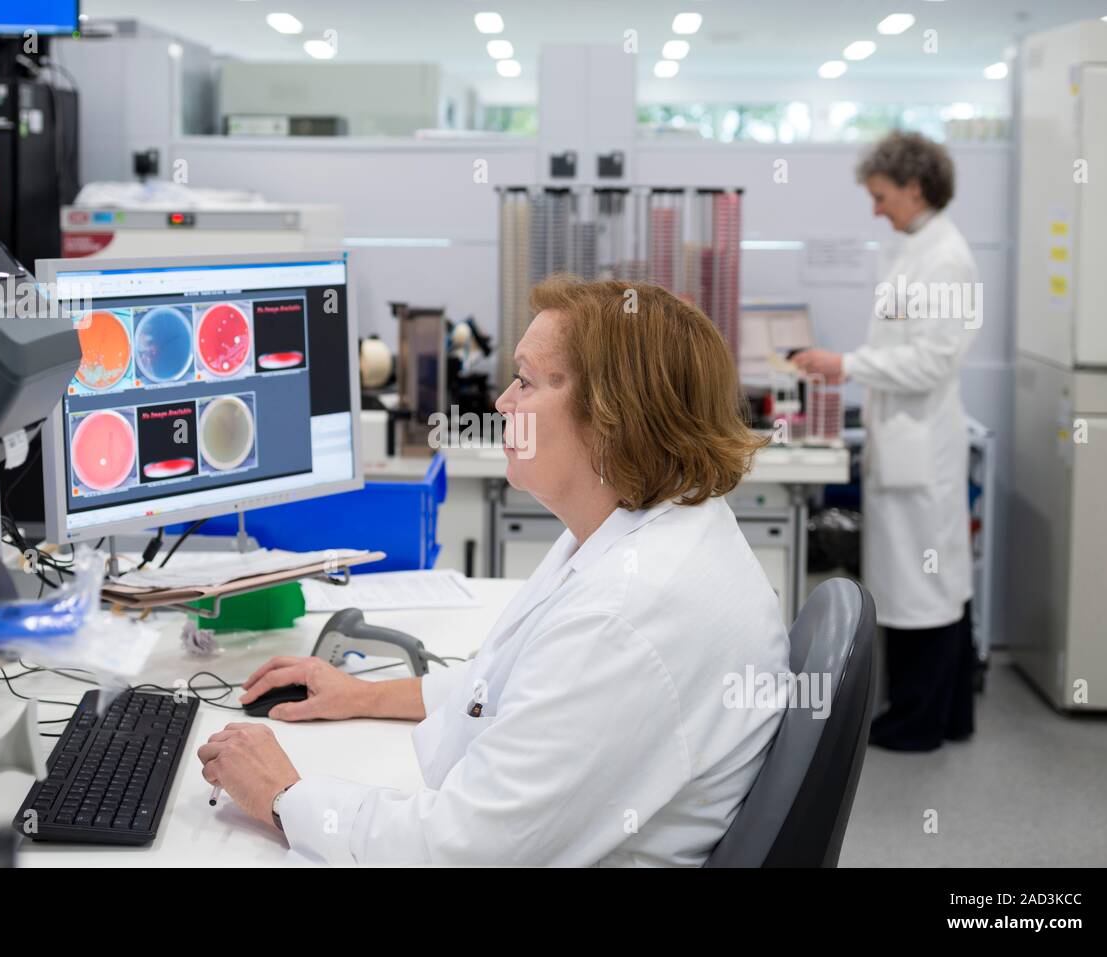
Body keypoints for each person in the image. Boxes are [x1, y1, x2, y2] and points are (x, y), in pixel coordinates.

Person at [197, 277, 791, 865]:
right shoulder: (646, 532)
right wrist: (366, 694)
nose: (503, 402)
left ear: (612, 417)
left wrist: (283, 795)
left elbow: (459, 850)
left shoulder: (628, 614)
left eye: (526, 381)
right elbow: (518, 686)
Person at [792, 130, 979, 751]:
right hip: (903, 441)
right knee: (929, 580)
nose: (874, 208)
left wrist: (845, 366)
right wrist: (851, 366)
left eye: (880, 196)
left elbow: (931, 363)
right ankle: (947, 714)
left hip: (921, 447)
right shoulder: (914, 249)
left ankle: (918, 721)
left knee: (923, 586)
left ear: (913, 186)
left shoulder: (945, 258)